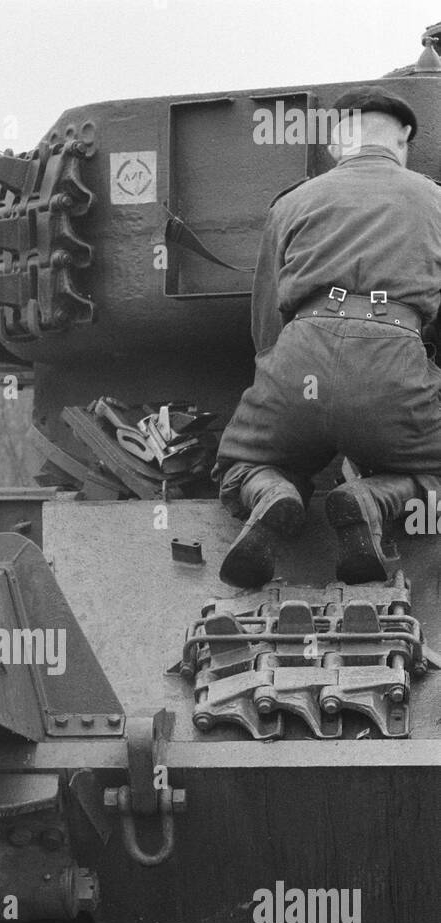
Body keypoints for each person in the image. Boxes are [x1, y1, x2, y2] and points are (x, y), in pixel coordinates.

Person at [214, 86, 441, 587]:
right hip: (395, 363)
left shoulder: (292, 203)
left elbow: (265, 326)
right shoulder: (435, 201)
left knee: (241, 463)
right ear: (403, 138)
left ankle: (272, 491)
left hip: (299, 363)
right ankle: (374, 498)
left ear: (338, 142)